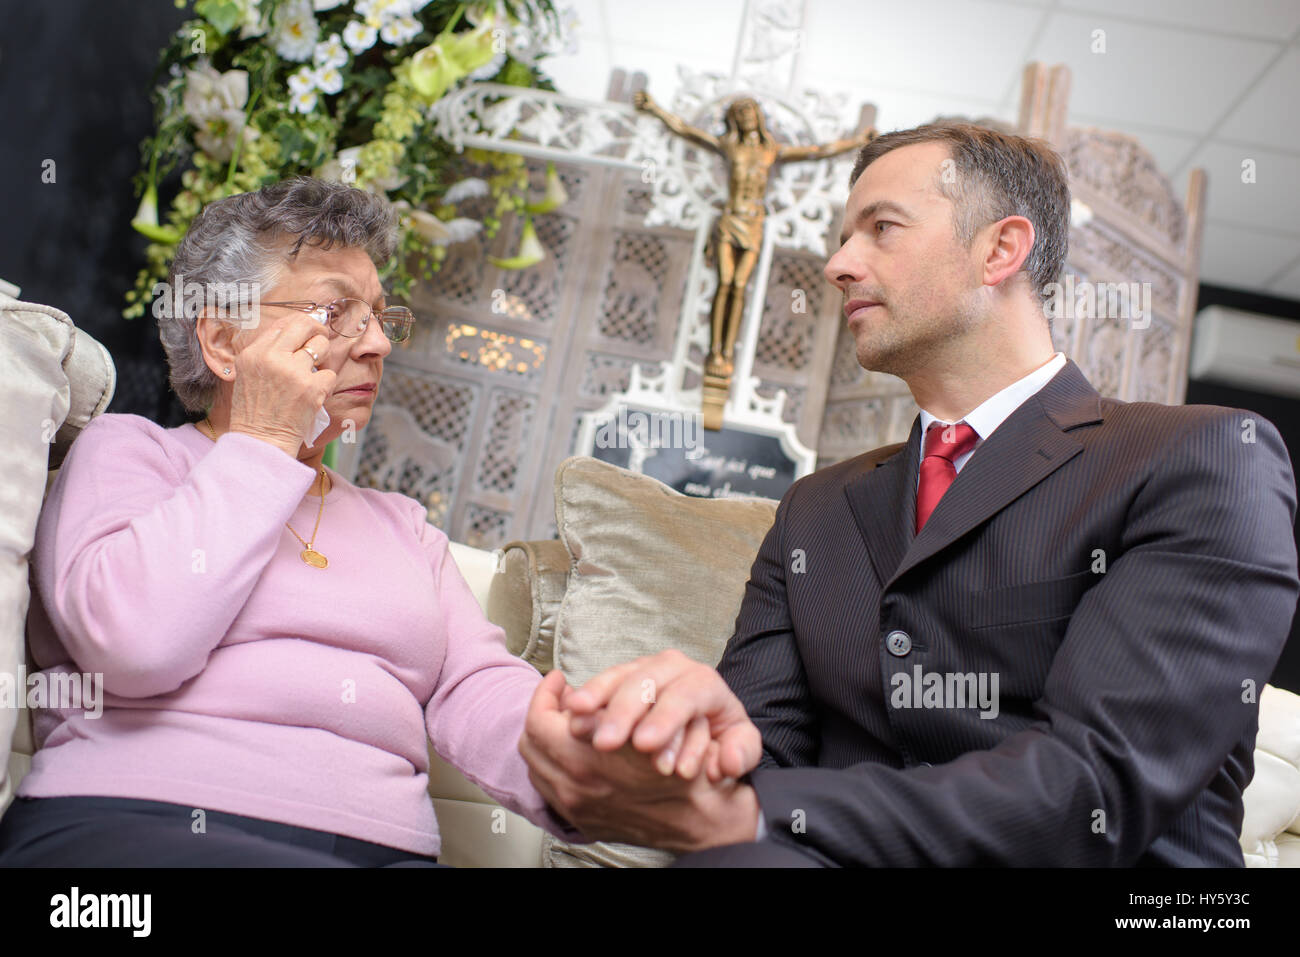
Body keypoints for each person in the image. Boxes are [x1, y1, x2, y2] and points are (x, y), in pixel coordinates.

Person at [519, 122, 1300, 866]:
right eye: (841, 237)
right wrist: (652, 754)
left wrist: (761, 813)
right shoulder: (815, 508)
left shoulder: (1199, 456)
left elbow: (1093, 787)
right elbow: (761, 754)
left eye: (881, 228)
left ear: (1001, 249)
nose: (838, 264)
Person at [1, 177, 720, 867]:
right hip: (133, 827)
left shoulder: (401, 525)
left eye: (378, 316)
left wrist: (587, 747)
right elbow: (137, 643)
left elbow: (479, 689)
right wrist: (262, 437)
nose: (376, 343)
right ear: (223, 343)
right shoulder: (130, 453)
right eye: (332, 311)